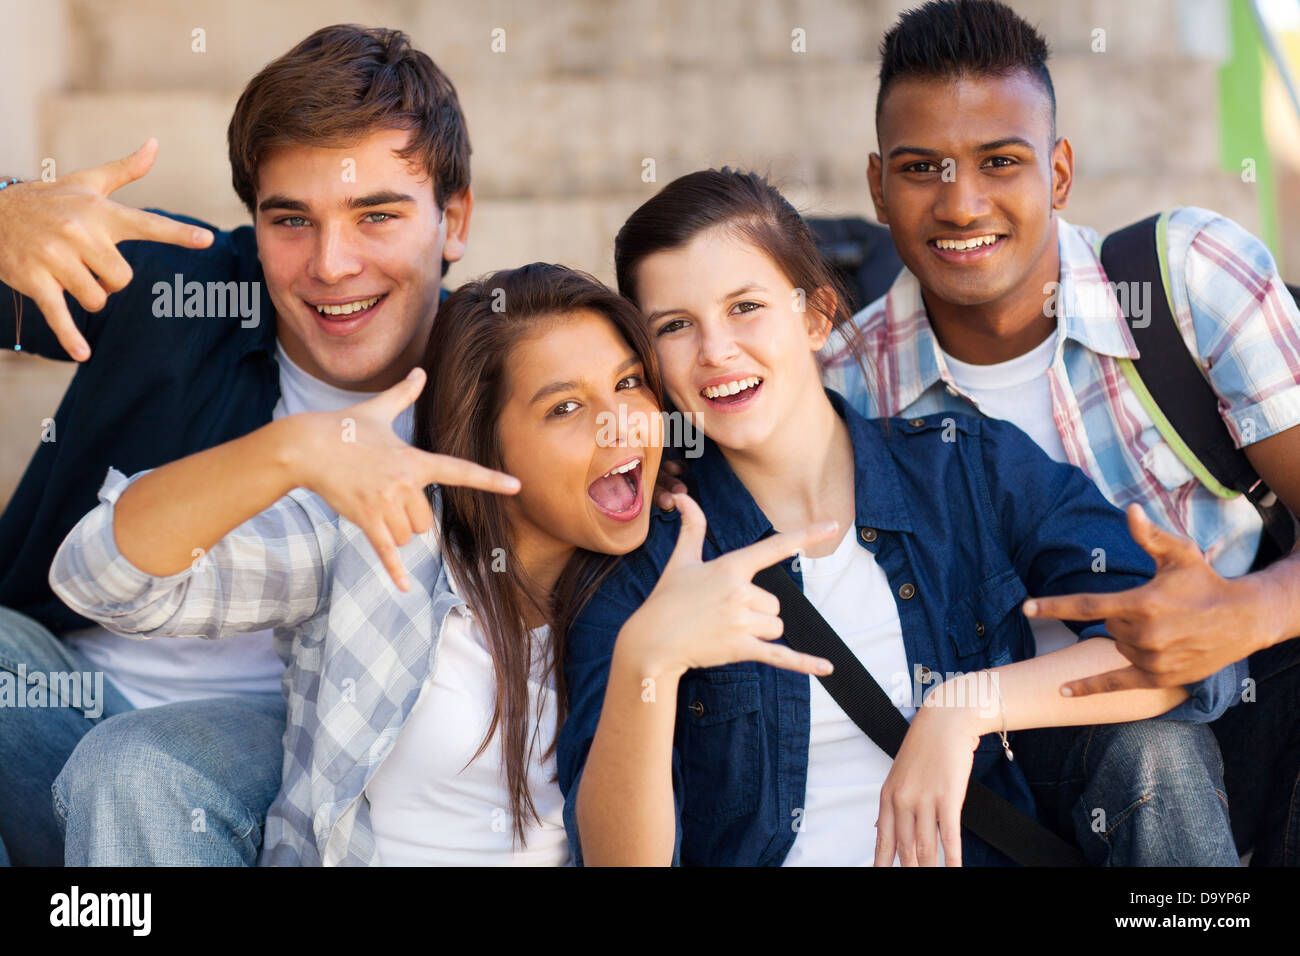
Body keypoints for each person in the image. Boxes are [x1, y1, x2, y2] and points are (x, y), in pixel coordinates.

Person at [556, 167, 1244, 867]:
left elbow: (1187, 648)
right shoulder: (645, 561)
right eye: (675, 326)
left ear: (817, 314)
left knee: (1162, 748)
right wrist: (652, 654)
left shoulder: (967, 472)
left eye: (745, 307)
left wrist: (965, 706)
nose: (716, 351)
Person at [820, 0, 1300, 865]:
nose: (961, 204)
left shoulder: (1186, 280)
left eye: (1000, 162)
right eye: (921, 167)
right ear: (876, 188)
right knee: (1150, 751)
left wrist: (1246, 611)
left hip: (1262, 707)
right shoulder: (846, 389)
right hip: (1029, 769)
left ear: (1061, 173)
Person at [0, 24, 478, 865]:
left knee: (138, 773)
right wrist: (4, 214)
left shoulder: (505, 374)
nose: (332, 264)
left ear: (455, 219)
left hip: (292, 754)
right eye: (291, 219)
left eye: (377, 215)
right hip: (54, 711)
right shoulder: (179, 291)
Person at [49, 263, 666, 865]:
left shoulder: (680, 563)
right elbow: (100, 579)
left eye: (629, 382)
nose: (618, 423)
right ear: (482, 436)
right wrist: (289, 451)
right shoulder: (382, 538)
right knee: (128, 761)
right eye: (563, 407)